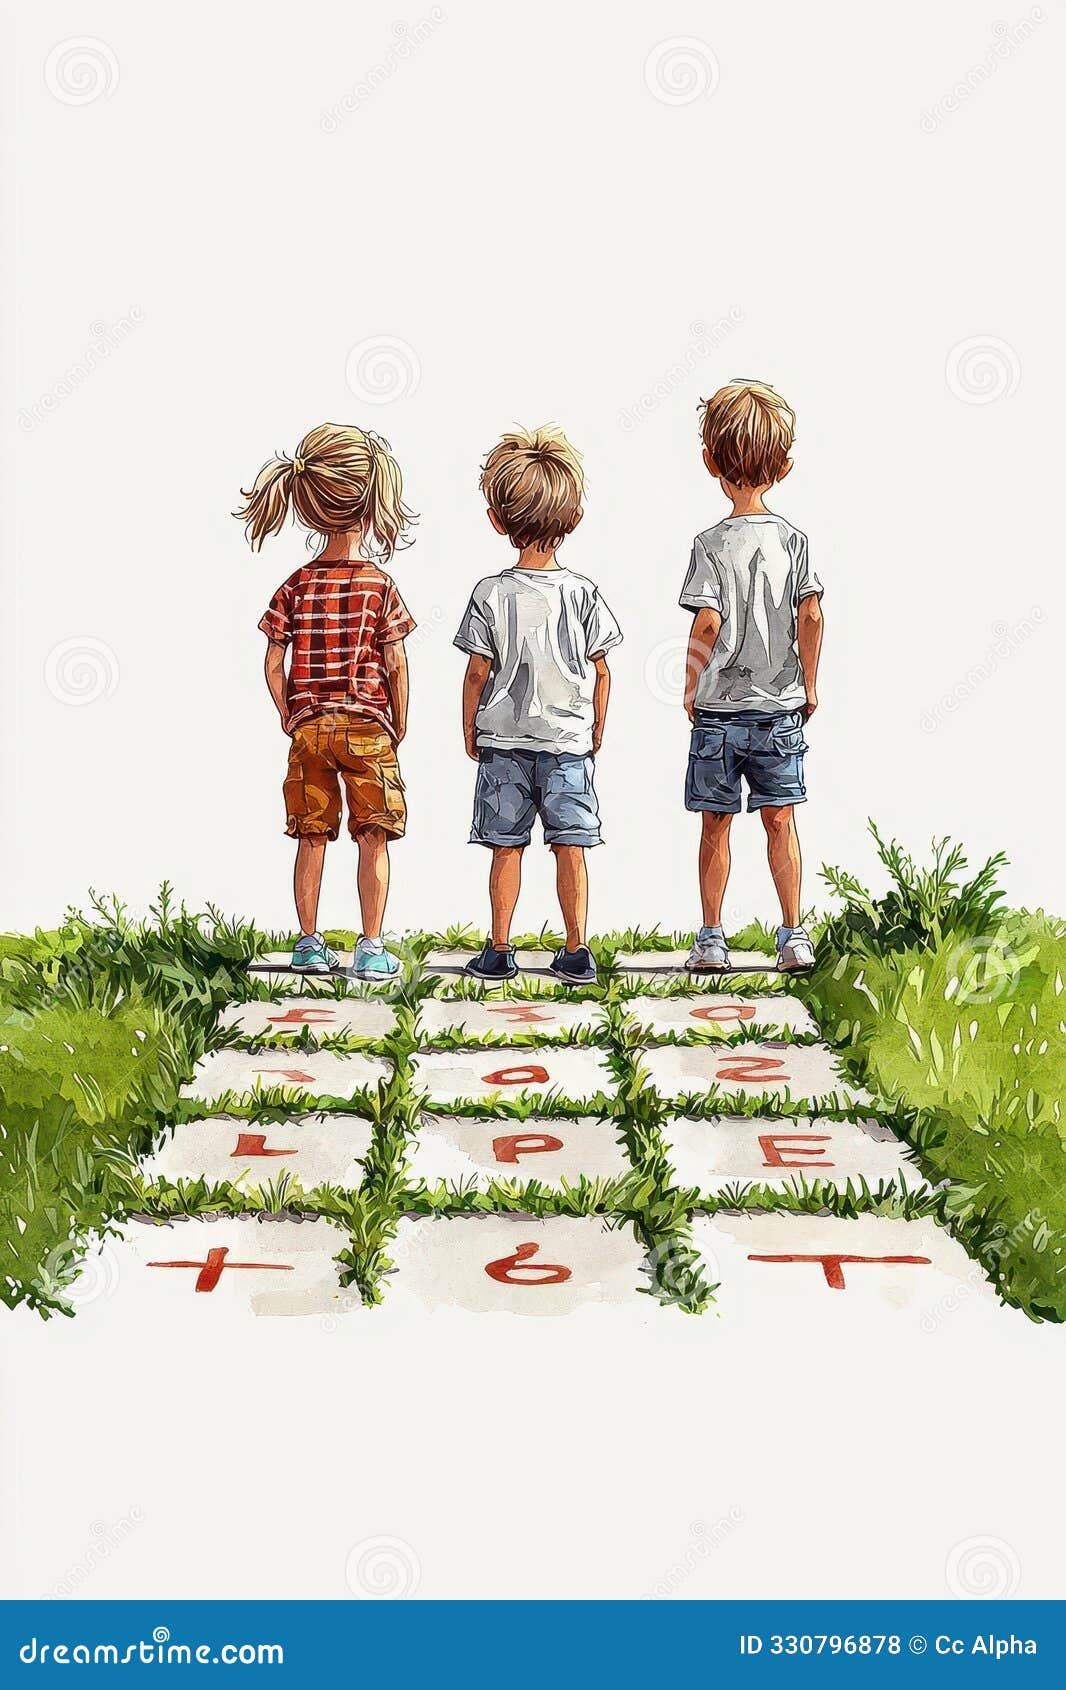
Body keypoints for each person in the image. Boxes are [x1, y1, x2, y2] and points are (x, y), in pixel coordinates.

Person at [236, 423, 416, 979]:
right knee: (373, 836)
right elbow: (396, 662)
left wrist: (289, 712)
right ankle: (371, 945)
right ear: (369, 506)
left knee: (311, 837)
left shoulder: (293, 585)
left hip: (309, 728)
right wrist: (399, 720)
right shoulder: (379, 586)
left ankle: (310, 943)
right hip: (368, 726)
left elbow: (272, 662)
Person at [455, 426, 622, 984]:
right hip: (568, 743)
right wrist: (596, 725)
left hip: (503, 742)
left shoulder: (489, 592)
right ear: (571, 517)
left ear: (498, 520)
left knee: (505, 848)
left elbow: (477, 670)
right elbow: (601, 669)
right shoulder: (582, 592)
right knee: (570, 846)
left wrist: (468, 728)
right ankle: (576, 950)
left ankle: (500, 948)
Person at [681, 381, 824, 972]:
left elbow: (707, 625)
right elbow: (811, 614)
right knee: (781, 819)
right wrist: (811, 685)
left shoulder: (709, 543)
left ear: (710, 461)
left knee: (716, 824)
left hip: (719, 709)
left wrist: (690, 685)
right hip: (779, 706)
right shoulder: (795, 541)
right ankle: (792, 933)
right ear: (785, 465)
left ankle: (712, 937)